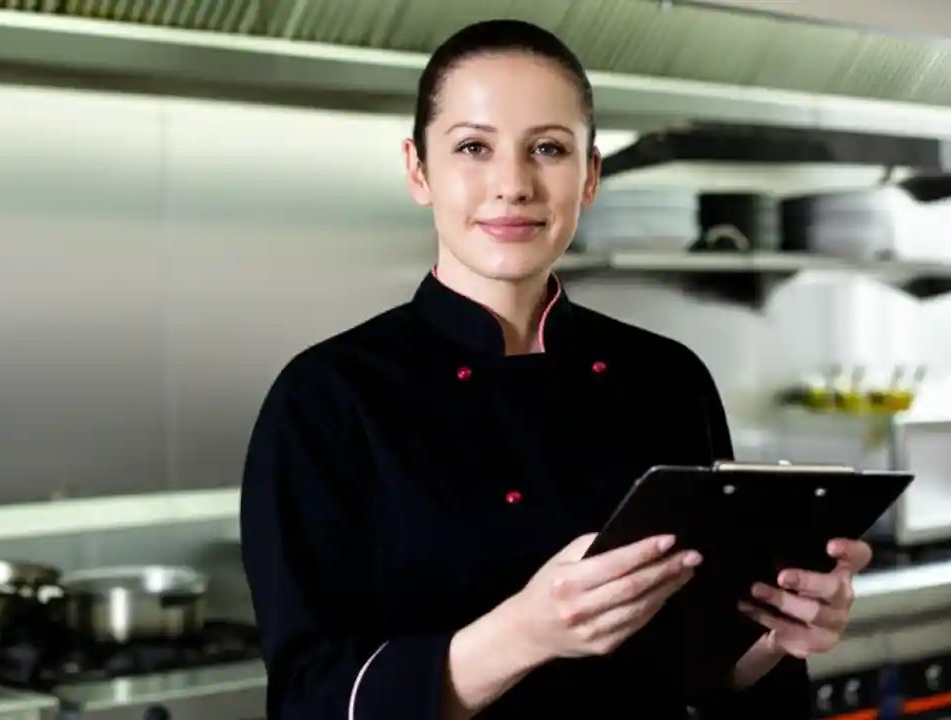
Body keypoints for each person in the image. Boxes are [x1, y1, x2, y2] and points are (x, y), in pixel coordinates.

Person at [240, 18, 871, 719]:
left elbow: (697, 674)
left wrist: (775, 638)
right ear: (419, 171)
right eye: (473, 147)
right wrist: (523, 633)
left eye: (548, 148)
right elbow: (309, 701)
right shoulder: (325, 399)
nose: (513, 184)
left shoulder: (669, 379)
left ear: (590, 175)